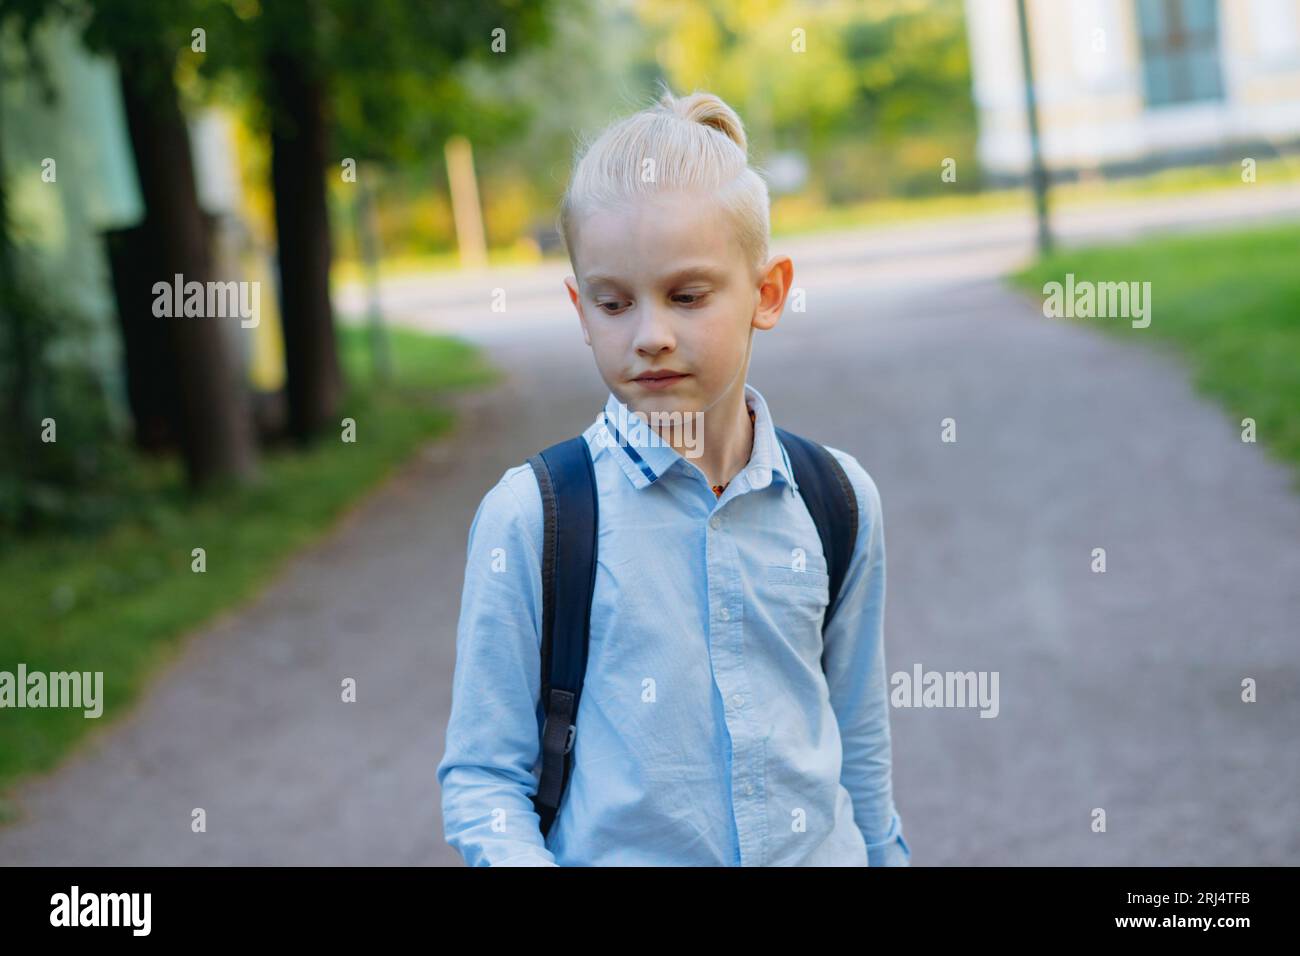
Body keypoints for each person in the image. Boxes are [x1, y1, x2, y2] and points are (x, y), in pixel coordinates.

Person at [436, 83, 910, 866]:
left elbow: (858, 738)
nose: (650, 335)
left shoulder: (837, 500)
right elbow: (484, 779)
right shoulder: (535, 517)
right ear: (579, 308)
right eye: (613, 304)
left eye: (686, 296)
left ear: (768, 292)